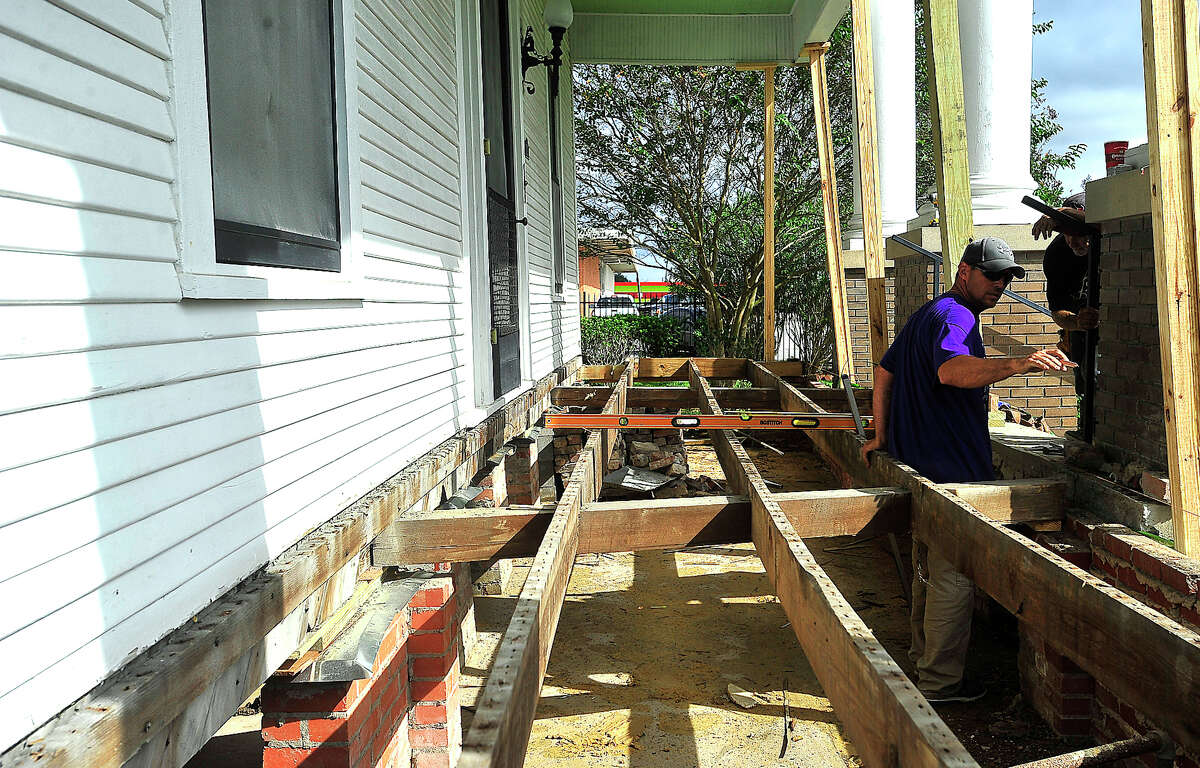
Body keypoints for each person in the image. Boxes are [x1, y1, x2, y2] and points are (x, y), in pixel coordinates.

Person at [860, 237, 1075, 703]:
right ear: (964, 272)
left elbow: (884, 371)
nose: (1000, 284)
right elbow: (951, 371)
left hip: (919, 469)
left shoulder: (929, 312)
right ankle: (939, 684)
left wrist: (880, 435)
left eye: (1007, 278)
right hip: (952, 475)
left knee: (927, 571)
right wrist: (1017, 363)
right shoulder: (957, 316)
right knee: (953, 577)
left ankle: (923, 664)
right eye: (992, 275)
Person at [1031, 197, 1097, 396]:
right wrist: (1077, 322)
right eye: (1066, 234)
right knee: (1088, 383)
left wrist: (1059, 212)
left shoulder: (1113, 236)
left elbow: (1097, 221)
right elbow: (1057, 311)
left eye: (1077, 233)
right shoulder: (1057, 254)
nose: (1072, 242)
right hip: (1084, 332)